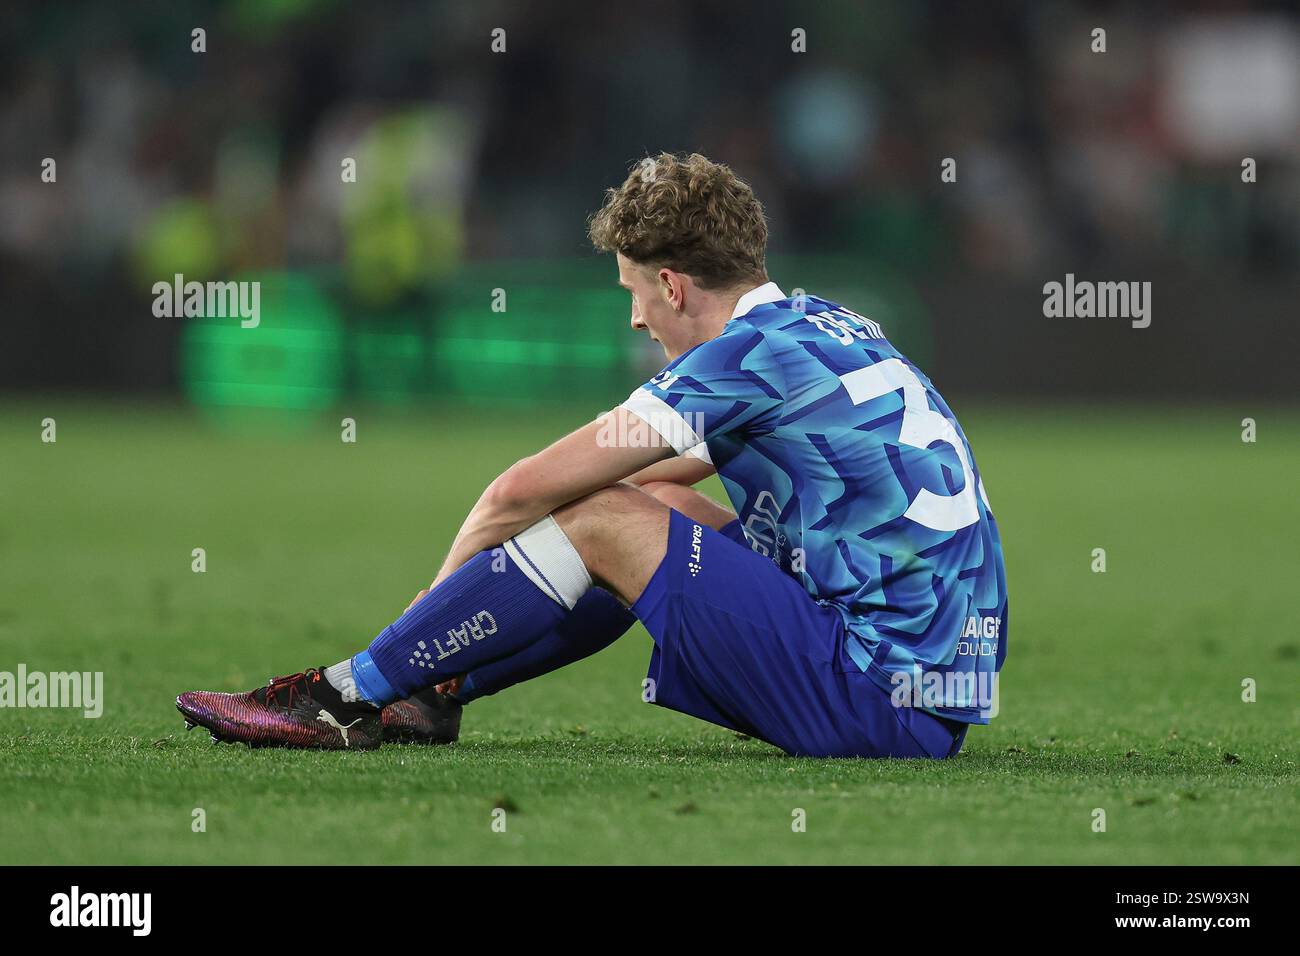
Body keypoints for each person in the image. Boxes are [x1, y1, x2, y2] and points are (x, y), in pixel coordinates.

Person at [177, 152, 1007, 758]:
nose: (638, 321)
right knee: (647, 509)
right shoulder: (828, 326)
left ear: (673, 287)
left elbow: (516, 493)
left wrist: (421, 624)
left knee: (605, 516)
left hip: (879, 700)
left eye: (634, 293)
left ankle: (346, 696)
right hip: (935, 688)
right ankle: (439, 693)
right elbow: (648, 481)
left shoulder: (738, 358)